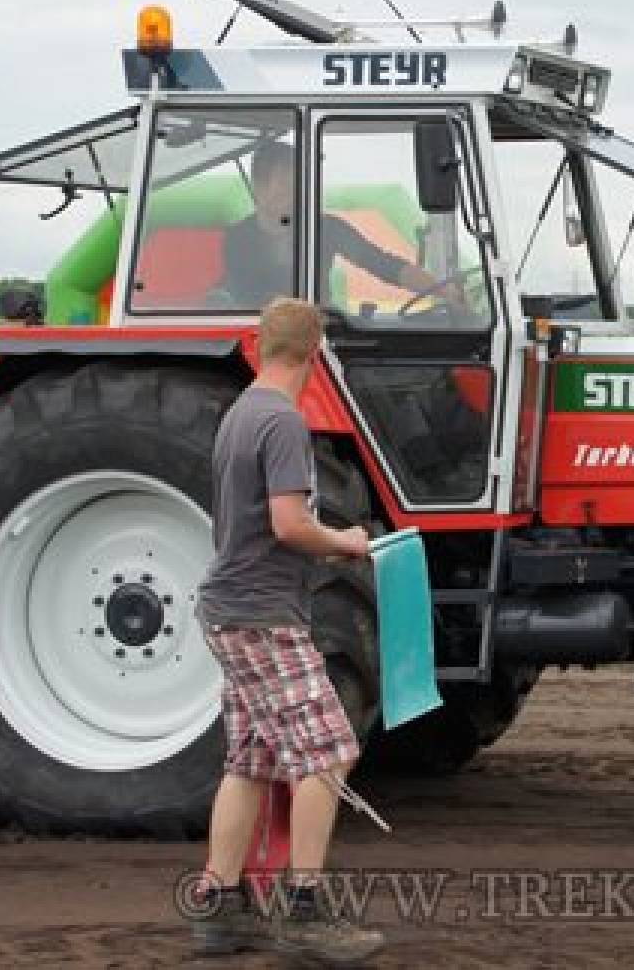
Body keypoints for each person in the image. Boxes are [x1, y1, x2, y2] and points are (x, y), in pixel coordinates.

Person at [187, 297, 384, 963]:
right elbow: (288, 525)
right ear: (315, 352)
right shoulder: (281, 422)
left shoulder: (240, 412)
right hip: (262, 615)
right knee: (329, 753)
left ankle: (219, 907)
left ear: (261, 346)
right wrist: (348, 542)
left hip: (229, 608)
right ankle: (303, 908)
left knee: (251, 760)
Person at [221, 141, 443, 311]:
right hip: (268, 339)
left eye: (297, 183)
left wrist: (441, 289)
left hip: (321, 332)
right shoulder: (238, 239)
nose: (293, 193)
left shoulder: (325, 227)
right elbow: (248, 296)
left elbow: (380, 262)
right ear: (259, 187)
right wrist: (304, 312)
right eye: (284, 185)